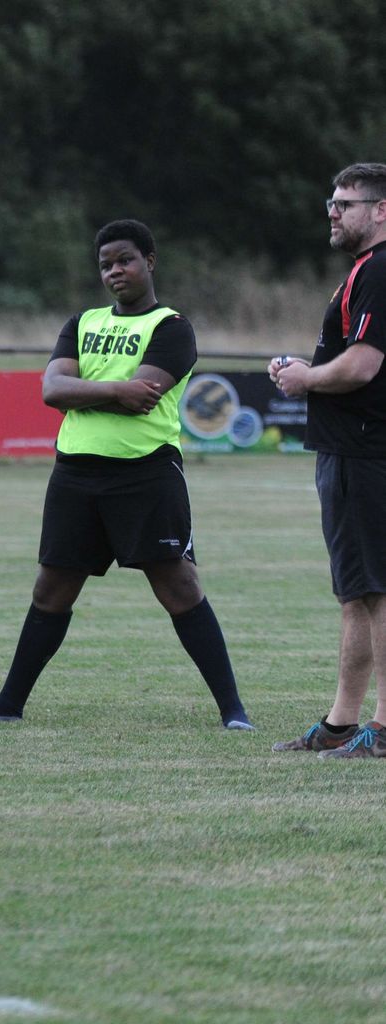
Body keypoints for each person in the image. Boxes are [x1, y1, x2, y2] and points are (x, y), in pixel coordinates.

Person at [0, 219, 250, 728]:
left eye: (125, 260)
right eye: (106, 265)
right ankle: (7, 705)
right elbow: (52, 390)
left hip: (145, 475)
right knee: (50, 590)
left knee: (179, 588)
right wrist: (115, 390)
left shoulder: (171, 327)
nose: (114, 271)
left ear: (150, 261)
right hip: (74, 476)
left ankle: (233, 710)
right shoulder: (82, 323)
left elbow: (142, 398)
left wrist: (89, 392)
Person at [270, 163, 386, 758]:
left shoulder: (380, 269)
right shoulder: (364, 270)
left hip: (366, 450)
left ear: (381, 211)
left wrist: (306, 379)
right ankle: (342, 723)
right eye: (331, 203)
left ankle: (383, 730)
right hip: (350, 449)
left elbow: (363, 365)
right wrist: (308, 370)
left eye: (346, 203)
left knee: (378, 590)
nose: (333, 212)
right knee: (357, 593)